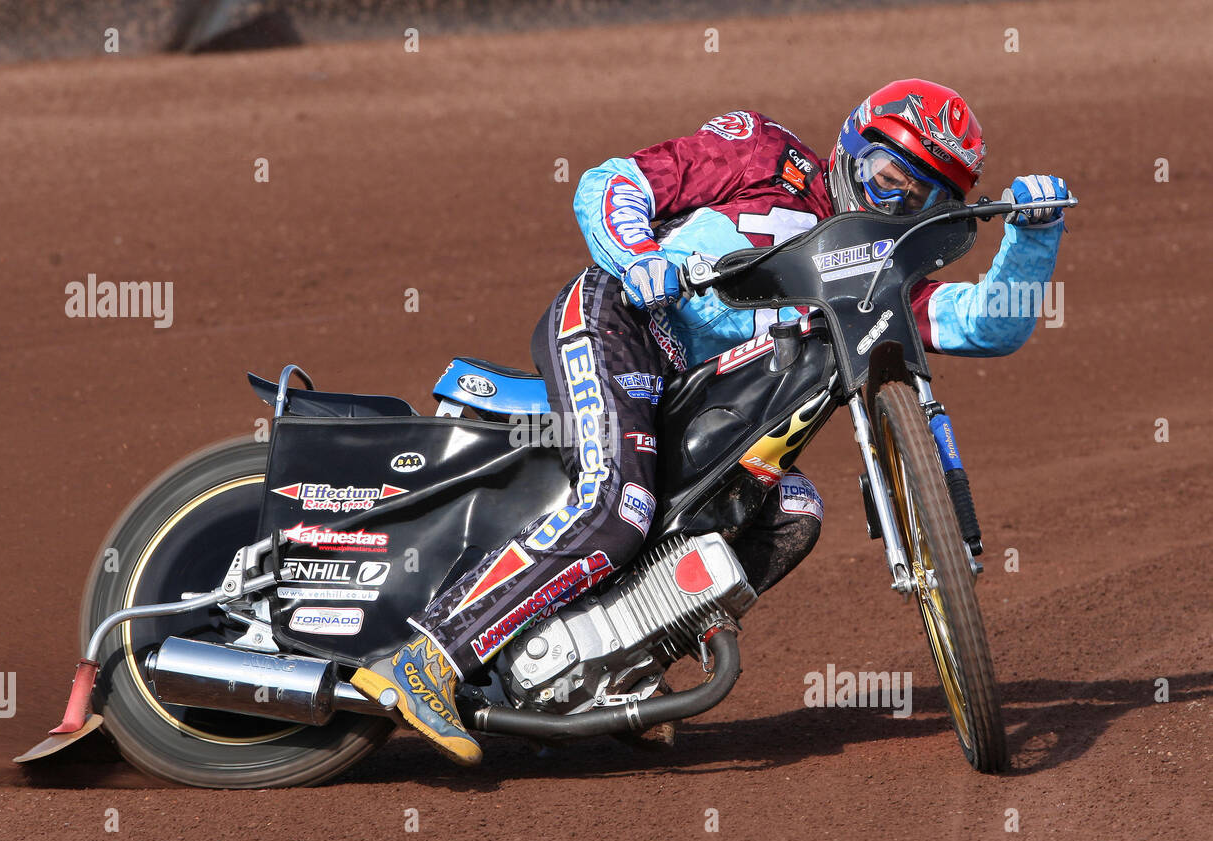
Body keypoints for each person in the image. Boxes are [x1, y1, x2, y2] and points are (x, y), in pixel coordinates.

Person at [349, 78, 1072, 766]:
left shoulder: (880, 282)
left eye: (924, 200)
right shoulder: (764, 153)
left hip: (683, 402)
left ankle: (616, 667)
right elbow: (613, 181)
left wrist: (1034, 237)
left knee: (791, 511)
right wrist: (636, 259)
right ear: (853, 146)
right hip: (619, 323)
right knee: (618, 507)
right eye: (890, 179)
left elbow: (984, 324)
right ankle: (426, 661)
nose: (900, 203)